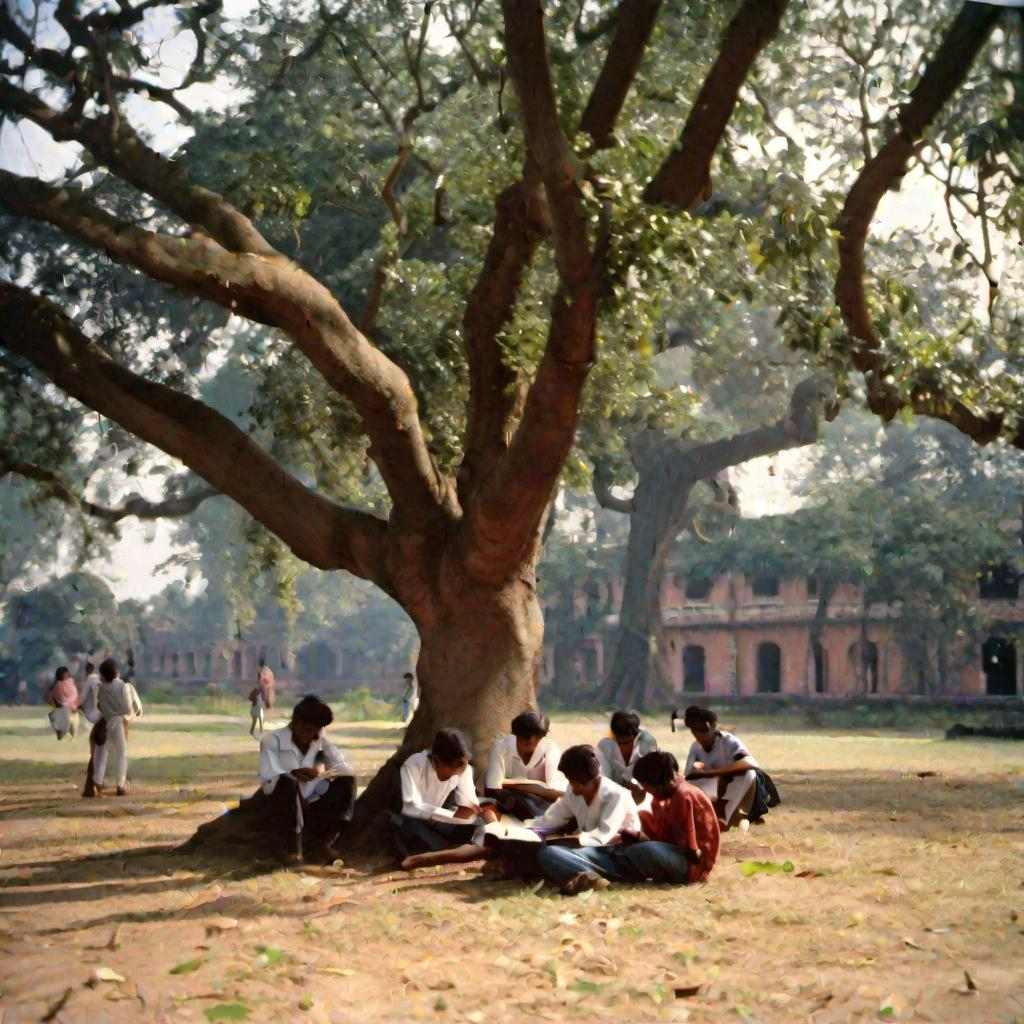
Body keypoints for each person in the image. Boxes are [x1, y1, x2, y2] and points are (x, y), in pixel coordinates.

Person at [533, 751, 721, 895]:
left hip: (688, 863)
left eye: (645, 784)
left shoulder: (683, 794)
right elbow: (656, 830)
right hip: (617, 851)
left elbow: (690, 845)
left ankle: (589, 875)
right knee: (549, 853)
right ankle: (592, 877)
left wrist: (640, 838)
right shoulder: (661, 797)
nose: (644, 789)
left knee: (646, 851)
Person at [259, 695, 356, 864]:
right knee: (287, 782)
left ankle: (324, 843)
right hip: (282, 806)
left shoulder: (319, 742)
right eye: (305, 729)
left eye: (313, 730)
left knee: (347, 780)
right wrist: (292, 773)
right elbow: (268, 783)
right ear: (295, 723)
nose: (308, 734)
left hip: (311, 804)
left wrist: (325, 774)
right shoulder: (272, 741)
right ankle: (292, 851)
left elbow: (343, 767)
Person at [393, 729, 491, 870]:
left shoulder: (462, 768)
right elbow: (412, 806)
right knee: (417, 831)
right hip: (415, 820)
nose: (457, 774)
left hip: (441, 820)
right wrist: (449, 815)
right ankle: (440, 852)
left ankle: (454, 850)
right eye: (452, 769)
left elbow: (467, 801)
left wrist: (472, 809)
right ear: (436, 760)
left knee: (476, 827)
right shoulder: (414, 765)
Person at [681, 705, 761, 830]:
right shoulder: (695, 748)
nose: (700, 735)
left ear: (713, 726)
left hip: (730, 786)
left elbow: (750, 763)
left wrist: (714, 773)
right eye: (695, 731)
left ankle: (727, 815)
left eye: (704, 730)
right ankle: (721, 816)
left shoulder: (728, 741)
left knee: (748, 774)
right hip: (710, 791)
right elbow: (689, 777)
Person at [483, 711, 565, 818]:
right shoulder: (501, 747)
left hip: (540, 802)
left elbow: (558, 793)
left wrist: (521, 787)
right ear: (517, 736)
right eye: (526, 737)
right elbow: (493, 787)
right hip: (506, 798)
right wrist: (536, 787)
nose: (533, 740)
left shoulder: (550, 749)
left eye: (538, 737)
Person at [92, 658, 144, 796]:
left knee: (102, 752)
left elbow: (100, 707)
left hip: (107, 722)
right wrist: (131, 714)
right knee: (122, 754)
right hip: (119, 723)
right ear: (117, 673)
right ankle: (120, 785)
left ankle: (97, 781)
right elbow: (127, 708)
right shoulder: (123, 686)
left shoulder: (101, 689)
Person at [596, 710, 659, 800]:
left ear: (636, 736)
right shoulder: (606, 746)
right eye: (619, 742)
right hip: (614, 798)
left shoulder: (647, 743)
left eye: (627, 742)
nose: (622, 748)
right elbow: (602, 778)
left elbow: (652, 778)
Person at [44, 666, 79, 740]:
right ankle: (67, 731)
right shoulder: (69, 683)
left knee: (55, 720)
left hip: (63, 711)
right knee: (57, 720)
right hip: (68, 711)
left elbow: (56, 700)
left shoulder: (59, 685)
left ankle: (64, 732)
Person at [248, 661, 275, 738]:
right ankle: (258, 732)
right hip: (256, 707)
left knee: (259, 719)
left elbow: (265, 698)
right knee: (258, 719)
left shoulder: (263, 688)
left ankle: (258, 732)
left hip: (258, 707)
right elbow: (251, 697)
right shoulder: (259, 689)